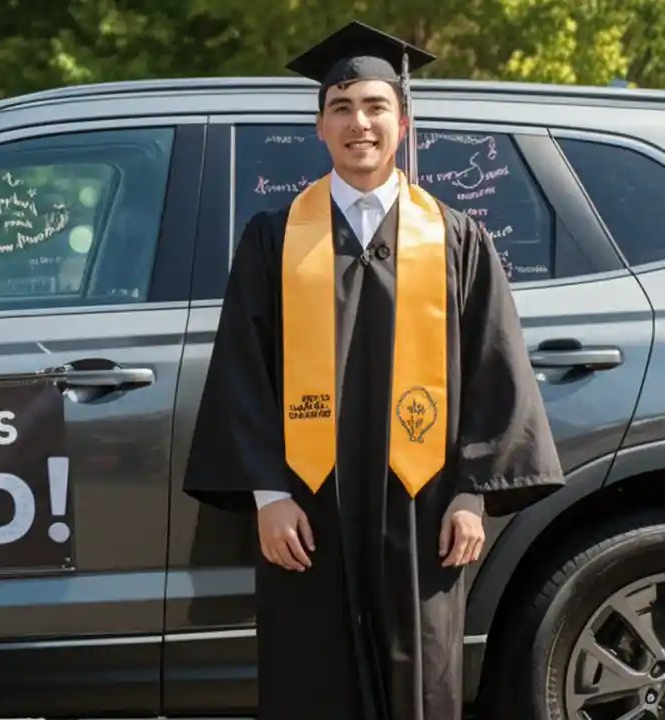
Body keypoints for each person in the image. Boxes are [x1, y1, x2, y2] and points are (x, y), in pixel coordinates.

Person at [182, 20, 566, 720]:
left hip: (424, 508)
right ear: (320, 127)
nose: (359, 123)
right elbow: (242, 373)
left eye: (374, 106)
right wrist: (267, 497)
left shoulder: (455, 238)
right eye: (341, 107)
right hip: (307, 508)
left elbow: (494, 366)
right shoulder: (275, 240)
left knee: (420, 675)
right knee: (312, 677)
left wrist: (472, 495)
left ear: (402, 123)